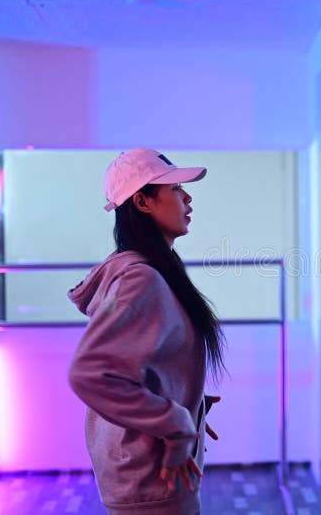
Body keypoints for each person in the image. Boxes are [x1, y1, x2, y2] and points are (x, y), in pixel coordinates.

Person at [68, 148, 225, 515]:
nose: (187, 197)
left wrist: (187, 402)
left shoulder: (154, 271)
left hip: (150, 475)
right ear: (142, 202)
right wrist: (175, 421)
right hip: (150, 480)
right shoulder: (140, 279)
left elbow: (136, 365)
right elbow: (91, 374)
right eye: (174, 188)